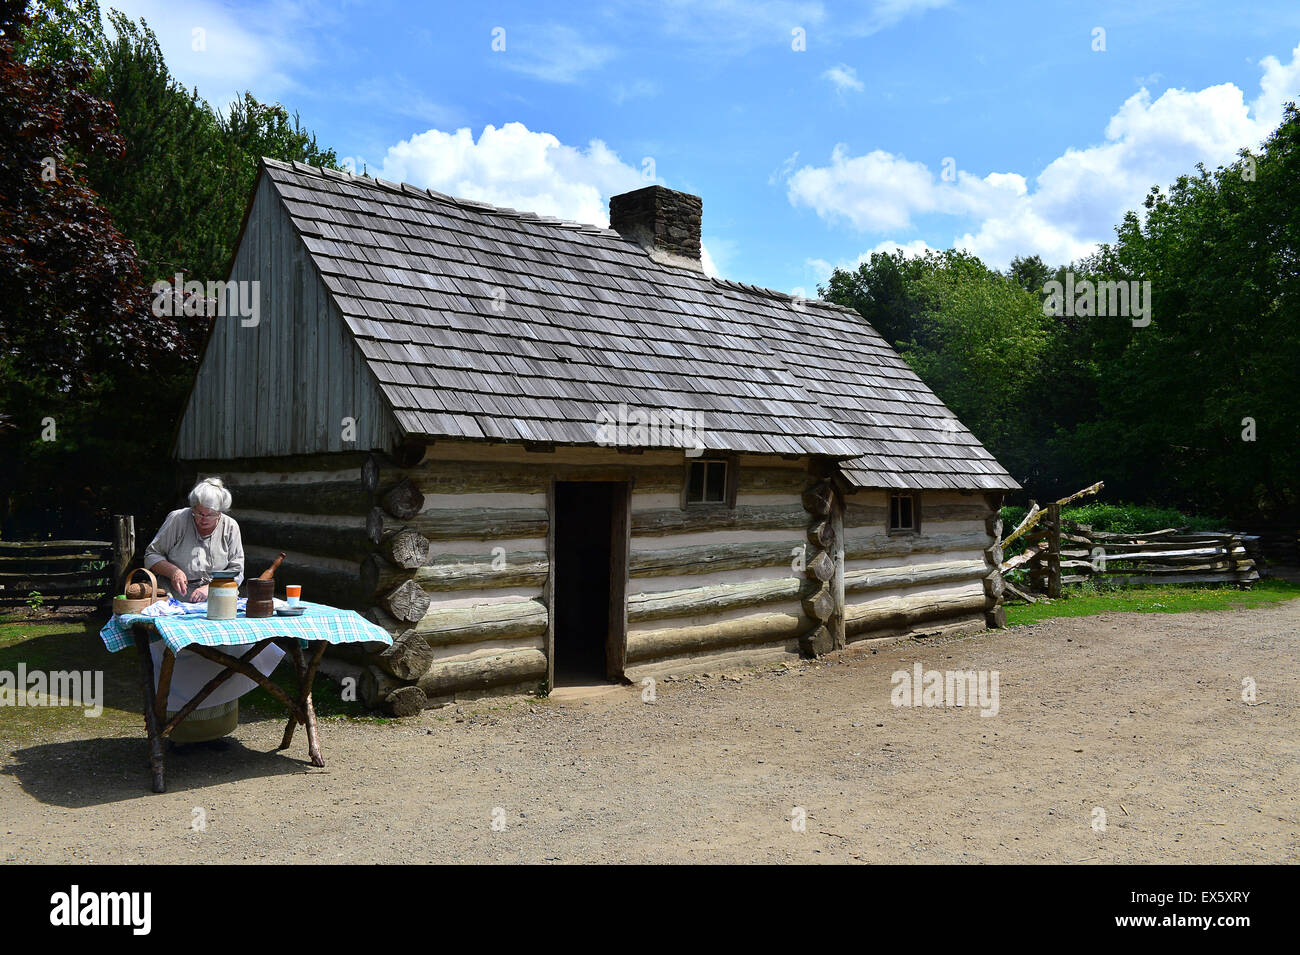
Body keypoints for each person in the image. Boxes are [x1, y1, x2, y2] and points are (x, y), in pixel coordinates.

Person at [144, 477, 245, 602]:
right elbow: (152, 554)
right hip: (175, 596)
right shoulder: (178, 519)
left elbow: (237, 571)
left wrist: (212, 587)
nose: (204, 519)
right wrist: (173, 572)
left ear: (220, 512)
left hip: (217, 598)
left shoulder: (230, 526)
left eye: (210, 515)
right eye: (199, 513)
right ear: (193, 508)